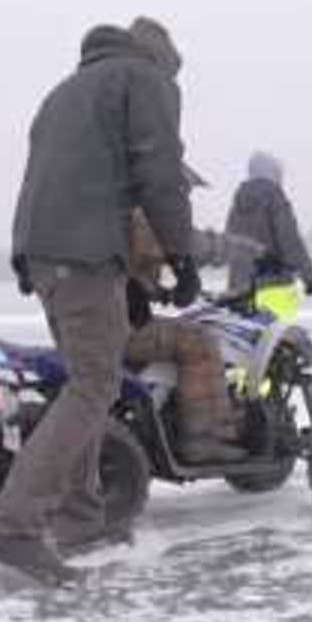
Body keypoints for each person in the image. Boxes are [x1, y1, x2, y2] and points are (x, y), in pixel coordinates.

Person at [0, 16, 197, 587]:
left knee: (87, 379)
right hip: (82, 254)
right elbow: (161, 175)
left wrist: (127, 279)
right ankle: (14, 526)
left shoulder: (66, 93)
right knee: (95, 383)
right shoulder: (145, 82)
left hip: (44, 252)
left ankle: (81, 517)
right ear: (161, 60)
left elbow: (84, 182)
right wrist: (184, 257)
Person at [123, 163, 264, 466]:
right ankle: (206, 441)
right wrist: (248, 250)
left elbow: (134, 271)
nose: (185, 199)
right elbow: (189, 243)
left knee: (185, 328)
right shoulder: (146, 216)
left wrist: (159, 291)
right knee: (200, 343)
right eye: (183, 192)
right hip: (124, 329)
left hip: (105, 320)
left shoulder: (122, 213)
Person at [224, 151, 312, 321]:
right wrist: (309, 276)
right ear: (272, 172)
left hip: (240, 290)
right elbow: (290, 240)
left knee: (248, 341)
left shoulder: (238, 204)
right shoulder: (275, 197)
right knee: (279, 341)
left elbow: (229, 244)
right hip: (274, 287)